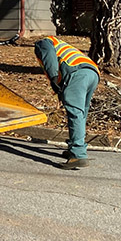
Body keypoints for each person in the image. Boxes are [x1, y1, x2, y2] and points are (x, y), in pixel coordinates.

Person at [33, 36, 100, 169]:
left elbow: (49, 58)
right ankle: (75, 148)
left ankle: (78, 154)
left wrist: (53, 80)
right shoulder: (62, 45)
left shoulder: (43, 43)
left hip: (76, 73)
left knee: (75, 114)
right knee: (81, 114)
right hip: (92, 72)